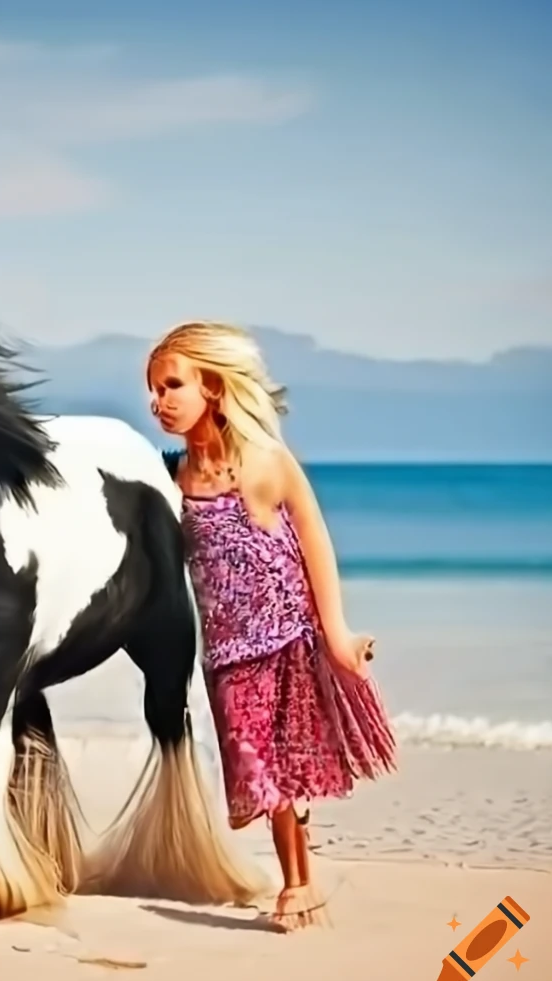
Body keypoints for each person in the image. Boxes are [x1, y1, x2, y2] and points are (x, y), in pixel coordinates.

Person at [146, 320, 397, 930]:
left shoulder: (262, 461)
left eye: (172, 385)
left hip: (288, 638)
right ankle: (297, 854)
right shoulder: (172, 477)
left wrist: (337, 635)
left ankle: (297, 886)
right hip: (227, 653)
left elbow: (314, 537)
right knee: (255, 770)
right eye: (152, 391)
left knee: (276, 770)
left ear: (212, 385)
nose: (160, 402)